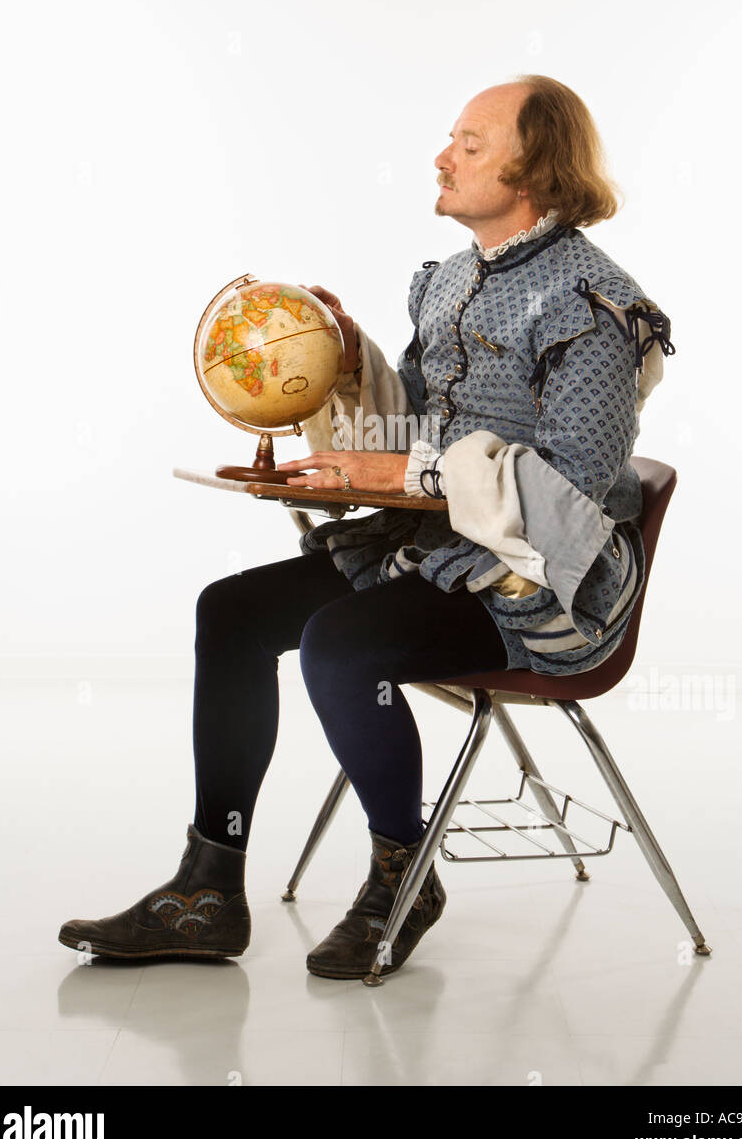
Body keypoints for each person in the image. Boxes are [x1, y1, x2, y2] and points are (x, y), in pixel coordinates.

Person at [58, 75, 674, 979]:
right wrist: (349, 364)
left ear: (534, 162)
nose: (442, 156)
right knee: (228, 612)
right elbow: (419, 429)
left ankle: (402, 874)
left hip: (528, 586)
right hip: (426, 552)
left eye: (469, 142)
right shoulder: (452, 281)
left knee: (338, 646)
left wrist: (404, 470)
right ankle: (206, 890)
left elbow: (570, 491)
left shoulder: (596, 305)